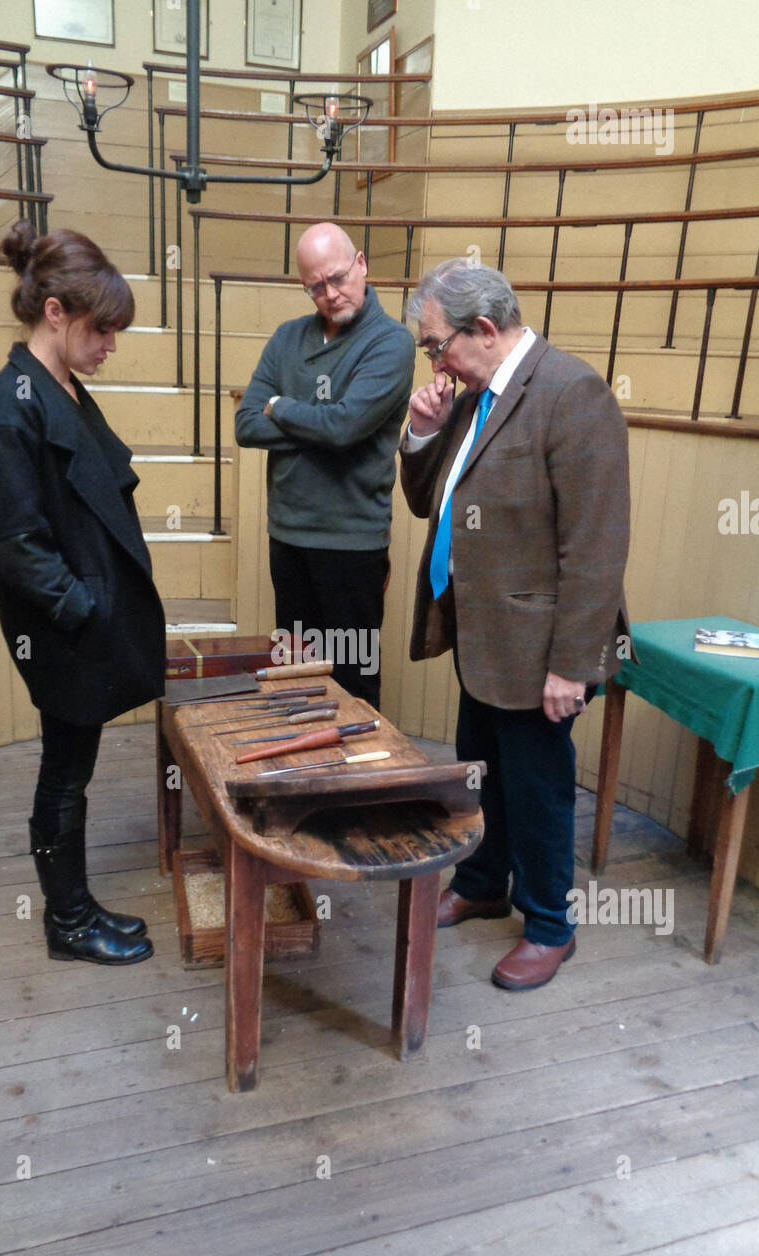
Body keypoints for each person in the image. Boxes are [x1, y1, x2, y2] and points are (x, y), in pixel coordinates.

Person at [401, 259, 631, 990]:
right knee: (481, 772)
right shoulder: (473, 397)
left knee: (537, 789)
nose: (434, 360)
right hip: (482, 633)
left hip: (540, 651)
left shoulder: (571, 393)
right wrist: (419, 430)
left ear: (486, 330)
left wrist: (573, 664)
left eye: (435, 344)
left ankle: (548, 925)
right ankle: (481, 880)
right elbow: (422, 500)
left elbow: (595, 546)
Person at [0, 221, 166, 966]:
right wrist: (85, 612)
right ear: (54, 313)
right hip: (61, 629)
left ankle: (73, 910)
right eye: (100, 329)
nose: (110, 344)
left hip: (89, 620)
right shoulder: (2, 408)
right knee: (64, 775)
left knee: (71, 770)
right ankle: (68, 923)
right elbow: (17, 546)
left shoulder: (59, 388)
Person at [234, 222, 416, 706]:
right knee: (294, 677)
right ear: (304, 286)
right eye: (317, 286)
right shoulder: (288, 336)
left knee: (353, 684)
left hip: (351, 547)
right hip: (288, 539)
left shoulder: (391, 342)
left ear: (362, 263)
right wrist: (324, 424)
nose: (331, 293)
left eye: (338, 277)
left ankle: (358, 781)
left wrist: (285, 407)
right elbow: (247, 425)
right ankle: (303, 780)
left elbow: (345, 427)